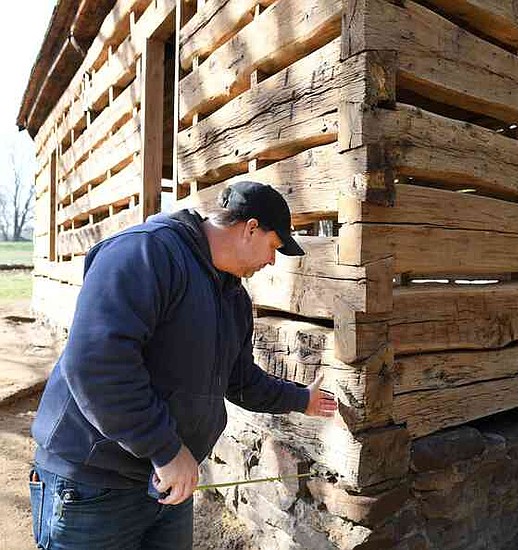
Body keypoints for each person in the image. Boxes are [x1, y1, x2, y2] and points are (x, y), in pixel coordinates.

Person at [28, 181, 337, 549]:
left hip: (168, 485)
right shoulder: (146, 252)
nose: (271, 261)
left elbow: (239, 379)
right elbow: (97, 365)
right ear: (250, 228)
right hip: (93, 484)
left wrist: (302, 399)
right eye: (273, 247)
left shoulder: (232, 296)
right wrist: (166, 450)